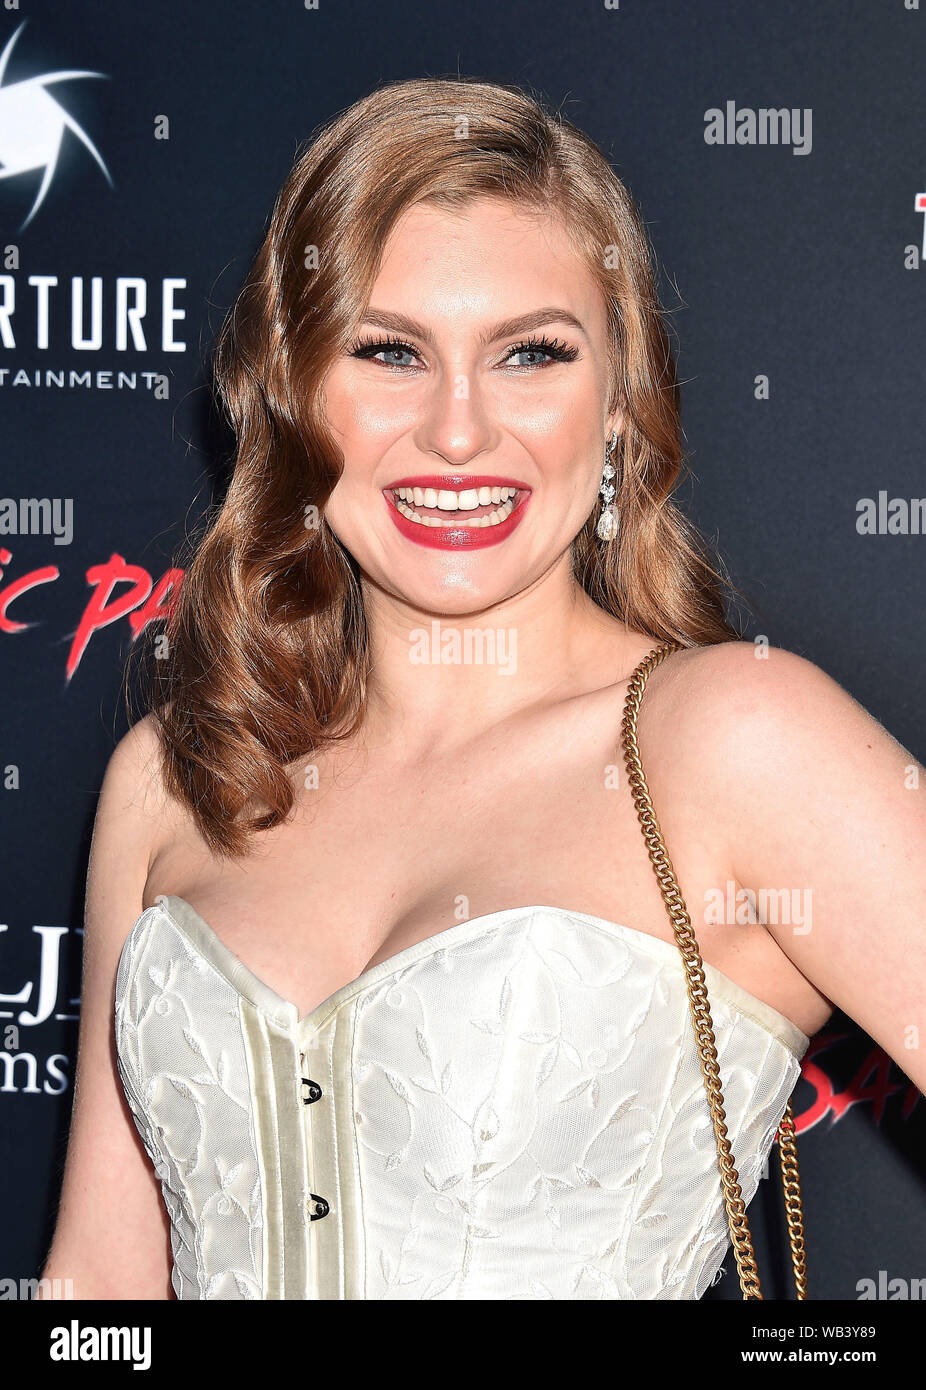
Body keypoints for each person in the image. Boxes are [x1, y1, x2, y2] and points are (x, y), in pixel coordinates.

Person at [39, 76, 925, 1300]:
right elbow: (97, 1293)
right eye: (388, 351)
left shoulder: (732, 739)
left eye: (530, 354)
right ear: (293, 394)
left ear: (617, 410)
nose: (456, 431)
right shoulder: (177, 776)